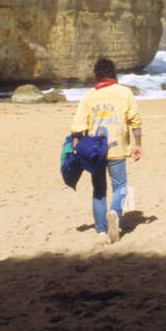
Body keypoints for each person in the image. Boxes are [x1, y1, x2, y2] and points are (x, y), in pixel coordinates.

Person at [69, 58, 142, 244]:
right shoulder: (124, 93)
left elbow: (78, 126)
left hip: (95, 151)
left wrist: (76, 147)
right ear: (114, 74)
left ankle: (101, 230)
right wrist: (138, 144)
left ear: (97, 75)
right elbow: (135, 120)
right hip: (117, 148)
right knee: (121, 186)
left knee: (99, 190)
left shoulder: (88, 96)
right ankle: (115, 212)